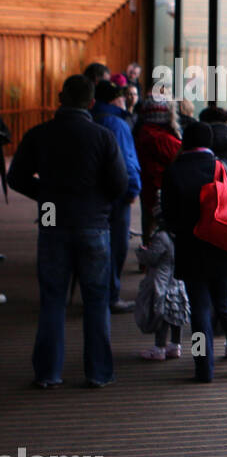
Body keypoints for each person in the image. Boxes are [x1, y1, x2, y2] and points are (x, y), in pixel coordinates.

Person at [6, 74, 127, 388]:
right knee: (97, 301)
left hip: (51, 220)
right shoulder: (103, 137)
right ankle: (98, 372)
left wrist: (46, 195)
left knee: (53, 299)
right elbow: (119, 184)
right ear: (90, 102)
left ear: (60, 98)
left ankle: (48, 373)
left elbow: (16, 177)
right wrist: (96, 202)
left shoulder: (39, 134)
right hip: (94, 223)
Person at [161, 122, 227, 381]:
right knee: (226, 306)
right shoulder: (221, 166)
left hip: (190, 249)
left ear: (186, 141)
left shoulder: (174, 170)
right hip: (221, 245)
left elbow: (168, 216)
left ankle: (203, 368)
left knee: (200, 312)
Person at [91, 79, 142, 312]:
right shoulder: (117, 124)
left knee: (97, 243)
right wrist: (133, 190)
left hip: (92, 194)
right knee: (116, 246)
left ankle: (95, 293)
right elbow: (127, 162)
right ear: (114, 99)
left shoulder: (90, 119)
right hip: (117, 195)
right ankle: (111, 296)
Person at [133, 203, 188, 361]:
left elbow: (152, 258)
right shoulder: (179, 234)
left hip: (162, 282)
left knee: (162, 316)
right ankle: (175, 345)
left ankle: (159, 348)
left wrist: (141, 251)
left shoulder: (160, 237)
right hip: (178, 280)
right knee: (176, 314)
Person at [134, 97, 182, 244]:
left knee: (148, 225)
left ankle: (146, 260)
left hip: (147, 187)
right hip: (163, 190)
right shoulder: (166, 140)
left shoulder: (141, 134)